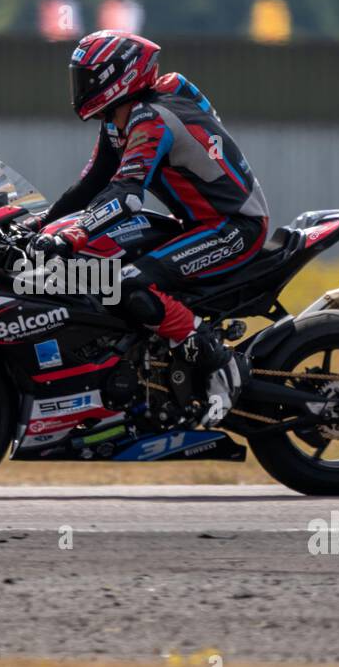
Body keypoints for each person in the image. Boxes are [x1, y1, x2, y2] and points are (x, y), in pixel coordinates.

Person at [30, 30, 270, 424]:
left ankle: (221, 362)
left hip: (234, 227)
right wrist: (40, 223)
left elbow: (126, 195)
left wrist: (71, 235)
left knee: (127, 282)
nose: (80, 87)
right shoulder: (119, 121)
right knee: (106, 259)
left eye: (88, 78)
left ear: (117, 77)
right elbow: (91, 184)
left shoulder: (151, 119)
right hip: (196, 224)